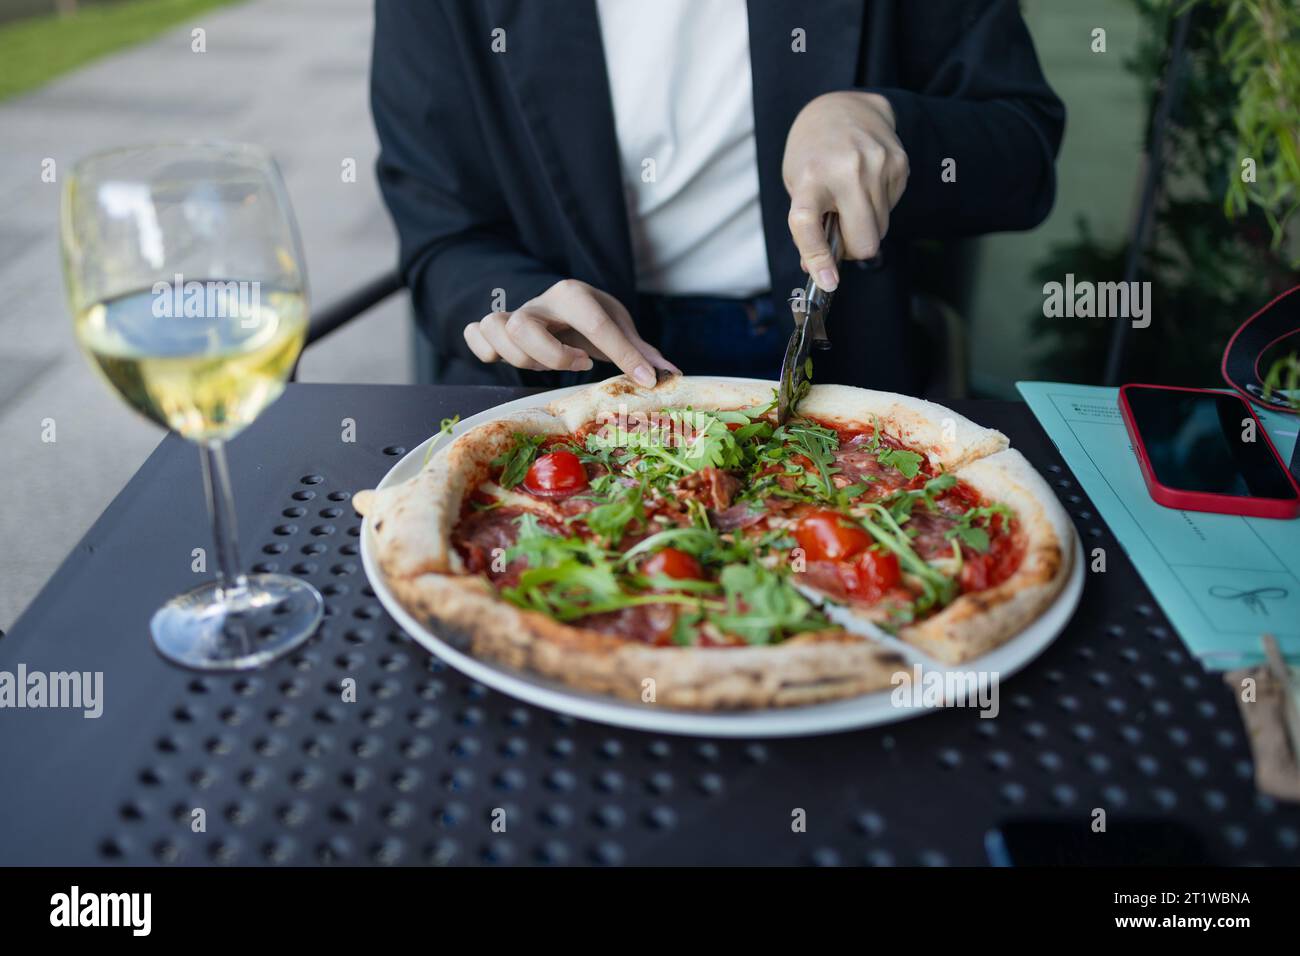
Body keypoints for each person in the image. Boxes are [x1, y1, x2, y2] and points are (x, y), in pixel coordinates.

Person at [371, 0, 1064, 394]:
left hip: (827, 355)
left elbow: (1024, 156)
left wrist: (882, 119)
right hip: (566, 384)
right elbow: (442, 234)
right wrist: (516, 301)